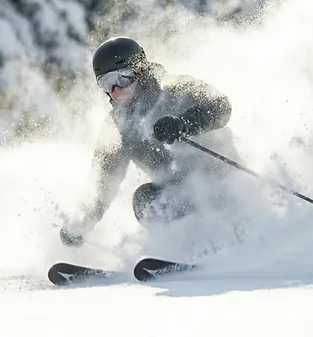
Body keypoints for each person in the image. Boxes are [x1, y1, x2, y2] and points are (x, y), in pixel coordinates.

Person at [59, 36, 243, 248]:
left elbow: (220, 106)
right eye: (106, 83)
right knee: (145, 199)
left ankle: (230, 235)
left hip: (224, 183)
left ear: (139, 69)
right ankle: (186, 249)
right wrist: (81, 223)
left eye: (122, 77)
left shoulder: (174, 88)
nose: (116, 89)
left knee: (204, 188)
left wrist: (184, 123)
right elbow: (103, 180)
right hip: (181, 199)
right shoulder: (118, 127)